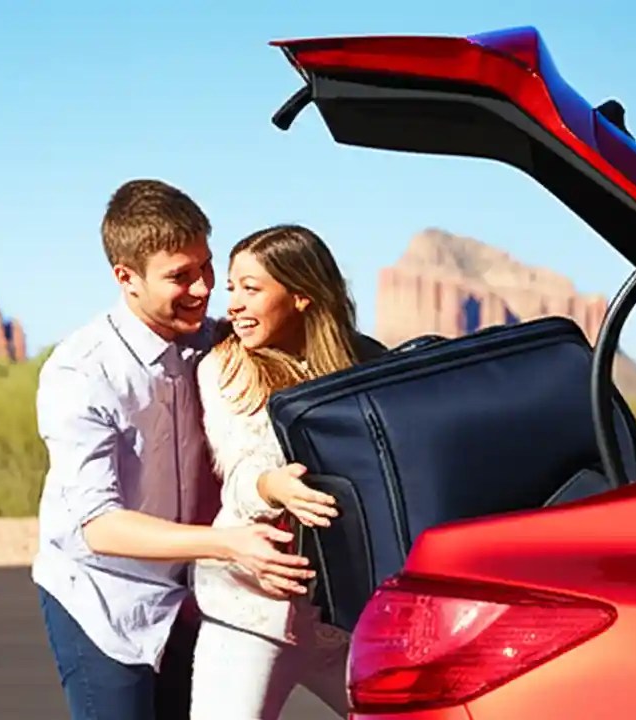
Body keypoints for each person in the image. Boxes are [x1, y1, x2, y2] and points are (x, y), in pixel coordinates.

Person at [32, 181, 318, 720]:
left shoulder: (215, 344)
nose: (204, 288)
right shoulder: (81, 372)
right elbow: (98, 525)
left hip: (191, 593)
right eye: (179, 276)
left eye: (206, 267)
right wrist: (227, 545)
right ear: (126, 278)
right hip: (102, 601)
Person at [189, 223, 384, 719]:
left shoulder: (365, 363)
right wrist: (269, 486)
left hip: (344, 616)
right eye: (232, 287)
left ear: (300, 295)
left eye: (250, 289)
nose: (232, 303)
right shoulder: (228, 365)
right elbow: (238, 464)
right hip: (251, 608)